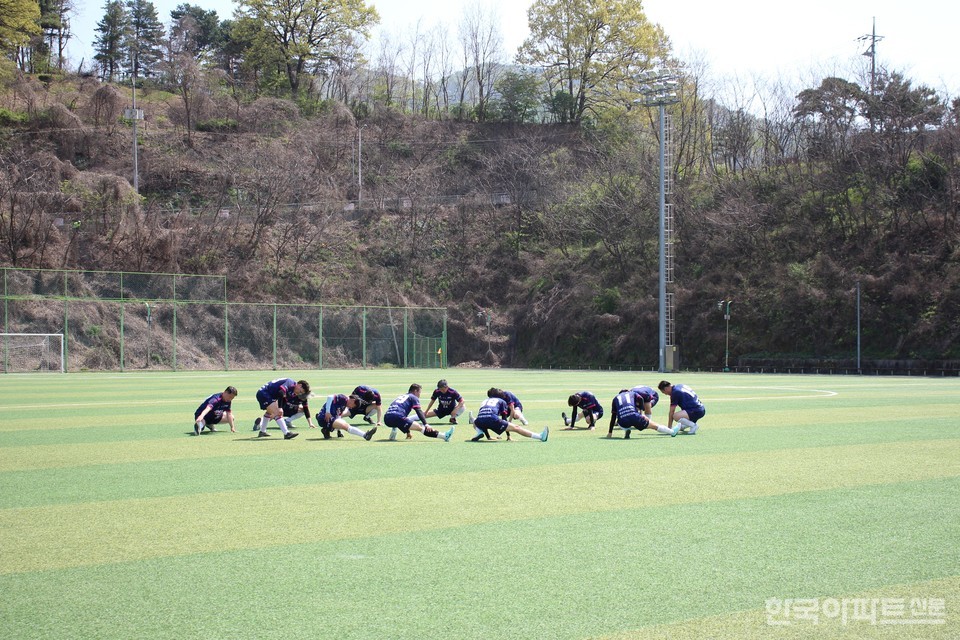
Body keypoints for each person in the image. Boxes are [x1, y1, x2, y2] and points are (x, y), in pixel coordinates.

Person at [471, 387, 548, 443]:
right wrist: (508, 436)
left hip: (479, 421)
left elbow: (483, 417)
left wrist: (488, 437)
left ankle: (480, 432)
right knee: (516, 428)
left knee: (475, 422)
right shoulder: (501, 401)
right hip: (492, 419)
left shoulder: (485, 400)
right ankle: (540, 437)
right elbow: (504, 418)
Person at [384, 383, 454, 442]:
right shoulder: (413, 397)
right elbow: (418, 411)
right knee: (420, 427)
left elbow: (402, 420)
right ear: (415, 391)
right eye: (419, 392)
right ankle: (444, 436)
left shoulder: (402, 396)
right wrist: (426, 424)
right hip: (397, 417)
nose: (419, 395)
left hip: (386, 418)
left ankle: (392, 436)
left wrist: (407, 432)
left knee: (400, 420)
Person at [608, 389, 678, 438]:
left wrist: (610, 432)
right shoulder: (632, 393)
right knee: (654, 426)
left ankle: (626, 429)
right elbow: (641, 398)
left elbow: (613, 416)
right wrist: (641, 412)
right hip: (635, 416)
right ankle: (672, 432)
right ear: (628, 391)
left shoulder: (615, 398)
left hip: (623, 421)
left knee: (619, 422)